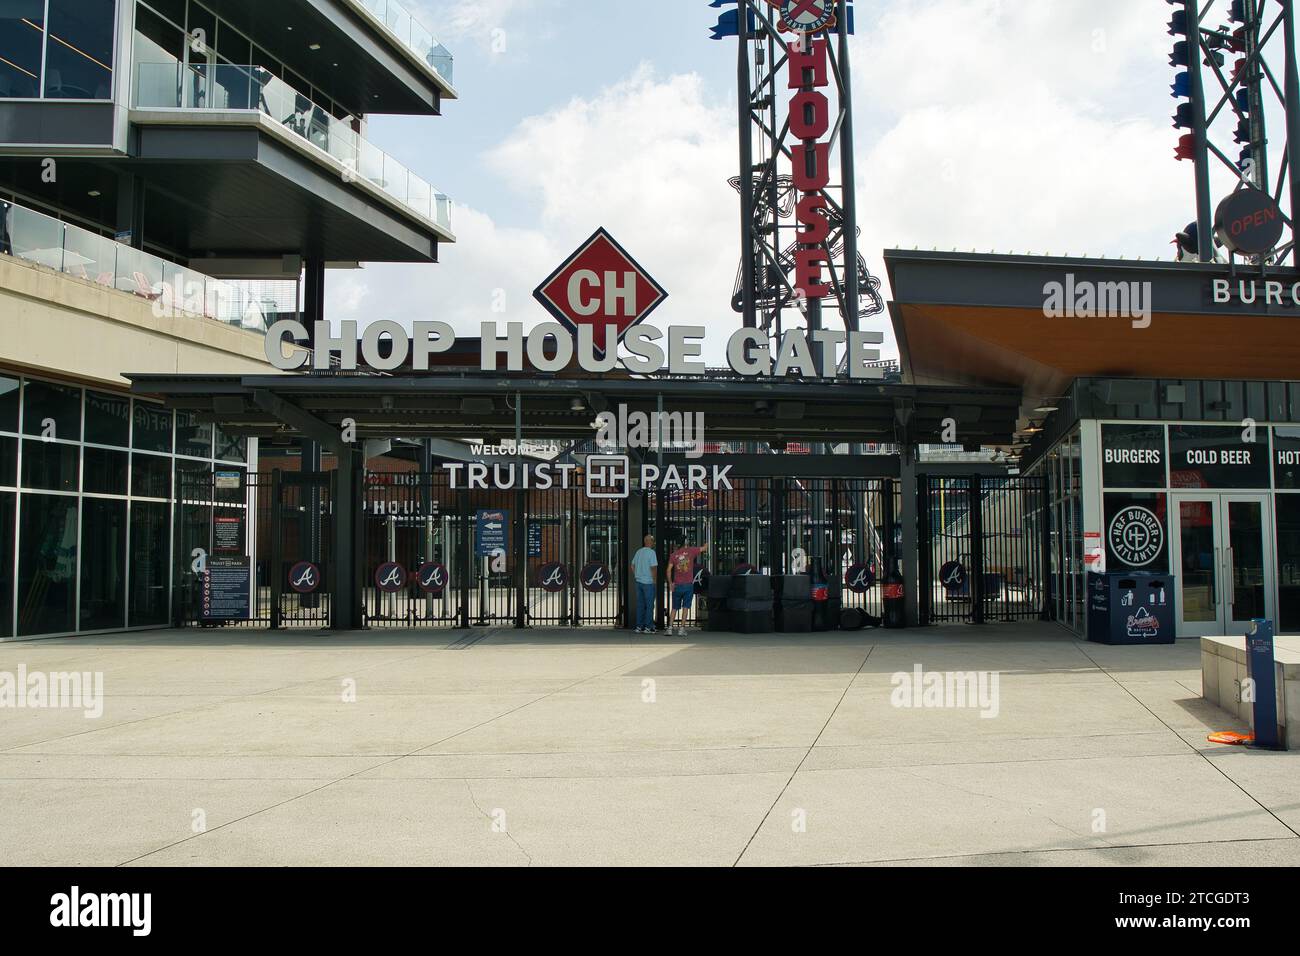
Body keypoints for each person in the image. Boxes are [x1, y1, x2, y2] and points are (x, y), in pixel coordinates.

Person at [667, 542, 707, 636]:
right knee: (686, 607)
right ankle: (681, 629)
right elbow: (704, 548)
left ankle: (669, 628)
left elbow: (668, 570)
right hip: (688, 585)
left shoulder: (673, 555)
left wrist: (670, 583)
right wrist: (707, 543)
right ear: (685, 544)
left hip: (677, 585)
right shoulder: (691, 551)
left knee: (674, 608)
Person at [630, 535, 658, 634]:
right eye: (653, 541)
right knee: (650, 605)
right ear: (650, 542)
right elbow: (654, 568)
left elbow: (632, 566)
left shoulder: (639, 552)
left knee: (640, 605)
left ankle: (639, 626)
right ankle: (648, 626)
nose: (654, 543)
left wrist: (637, 575)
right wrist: (654, 580)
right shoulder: (652, 553)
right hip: (648, 582)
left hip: (639, 582)